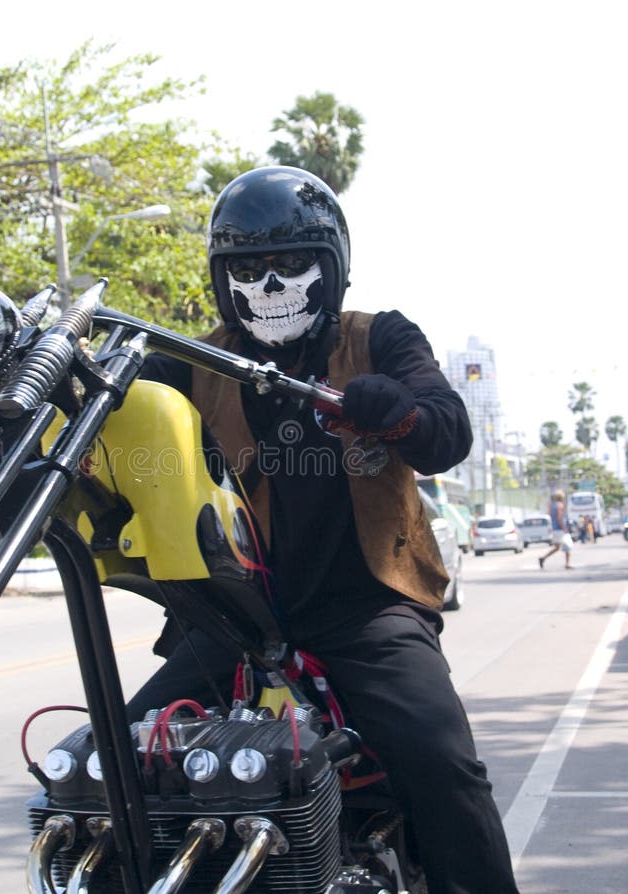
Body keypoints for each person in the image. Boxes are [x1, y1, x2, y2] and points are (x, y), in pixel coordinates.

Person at [127, 166, 520, 893]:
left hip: (366, 609)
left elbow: (446, 429)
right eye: (249, 268)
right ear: (222, 278)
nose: (269, 285)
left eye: (290, 265)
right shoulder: (191, 364)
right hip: (233, 620)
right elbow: (116, 444)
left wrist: (398, 412)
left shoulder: (381, 338)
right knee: (123, 760)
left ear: (331, 269)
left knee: (443, 762)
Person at [539, 489, 573, 569]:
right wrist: (565, 528)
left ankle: (543, 558)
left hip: (555, 529)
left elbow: (551, 516)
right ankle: (567, 564)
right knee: (568, 546)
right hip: (560, 529)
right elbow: (559, 518)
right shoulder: (560, 505)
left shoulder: (552, 505)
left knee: (557, 547)